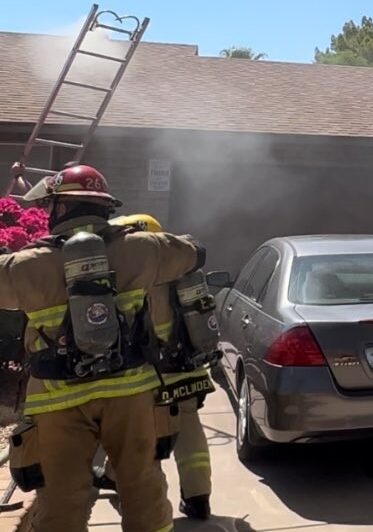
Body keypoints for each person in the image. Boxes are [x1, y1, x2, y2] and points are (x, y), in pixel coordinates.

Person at [0, 163, 204, 532]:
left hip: (57, 399)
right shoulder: (142, 249)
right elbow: (194, 254)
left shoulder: (27, 265)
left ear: (61, 209)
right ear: (104, 208)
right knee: (141, 483)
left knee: (63, 495)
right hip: (130, 392)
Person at [93, 214, 216, 520]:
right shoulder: (181, 270)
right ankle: (198, 497)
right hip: (187, 369)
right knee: (190, 432)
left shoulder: (129, 275)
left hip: (147, 375)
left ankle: (150, 507)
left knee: (147, 438)